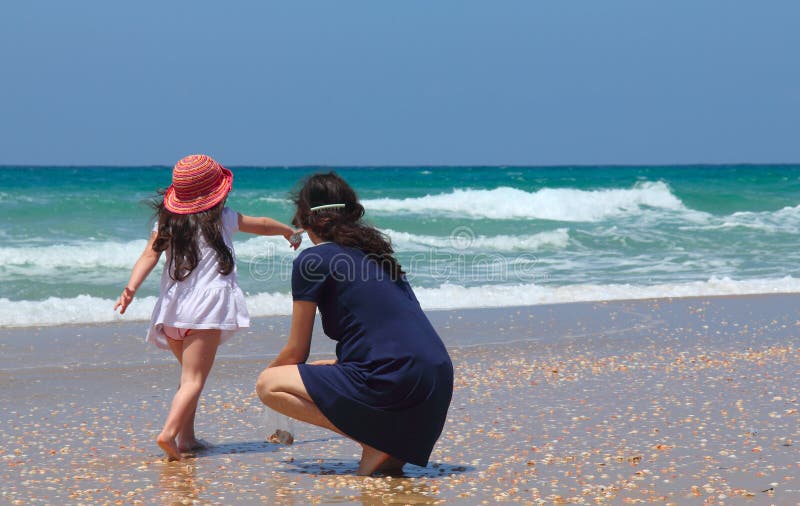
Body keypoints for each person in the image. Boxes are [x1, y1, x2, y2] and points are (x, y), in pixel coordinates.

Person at [256, 172, 453, 476]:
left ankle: (375, 440)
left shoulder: (312, 260)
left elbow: (297, 352)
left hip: (396, 381)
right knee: (324, 366)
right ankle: (390, 441)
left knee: (269, 384)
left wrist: (270, 380)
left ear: (306, 219)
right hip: (434, 385)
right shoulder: (378, 254)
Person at [114, 154, 301, 461]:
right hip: (205, 311)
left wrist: (130, 288)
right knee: (194, 380)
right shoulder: (223, 218)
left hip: (172, 310)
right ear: (218, 192)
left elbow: (148, 256)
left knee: (188, 377)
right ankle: (168, 434)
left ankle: (186, 439)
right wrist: (288, 231)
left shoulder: (167, 222)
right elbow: (263, 225)